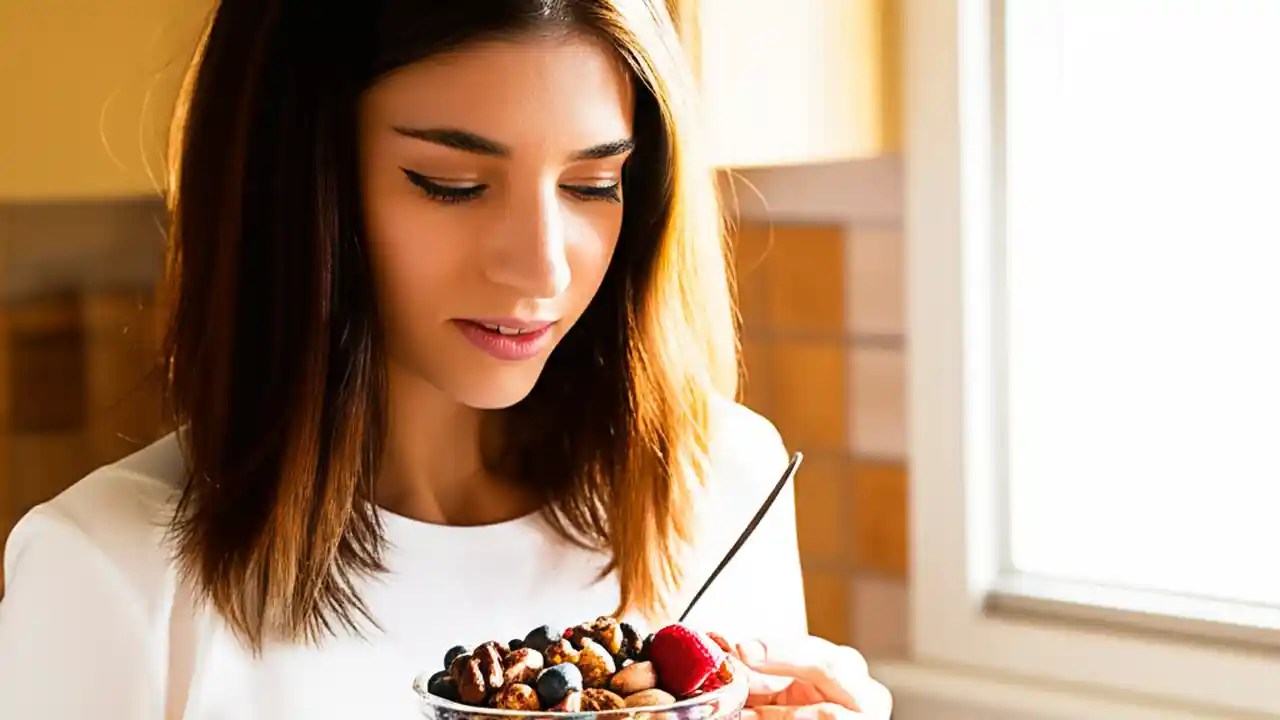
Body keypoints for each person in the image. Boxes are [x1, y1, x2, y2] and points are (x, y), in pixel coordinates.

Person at [0, 1, 890, 718]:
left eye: (592, 185)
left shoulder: (723, 488)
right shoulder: (108, 574)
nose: (541, 266)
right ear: (299, 183)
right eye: (452, 186)